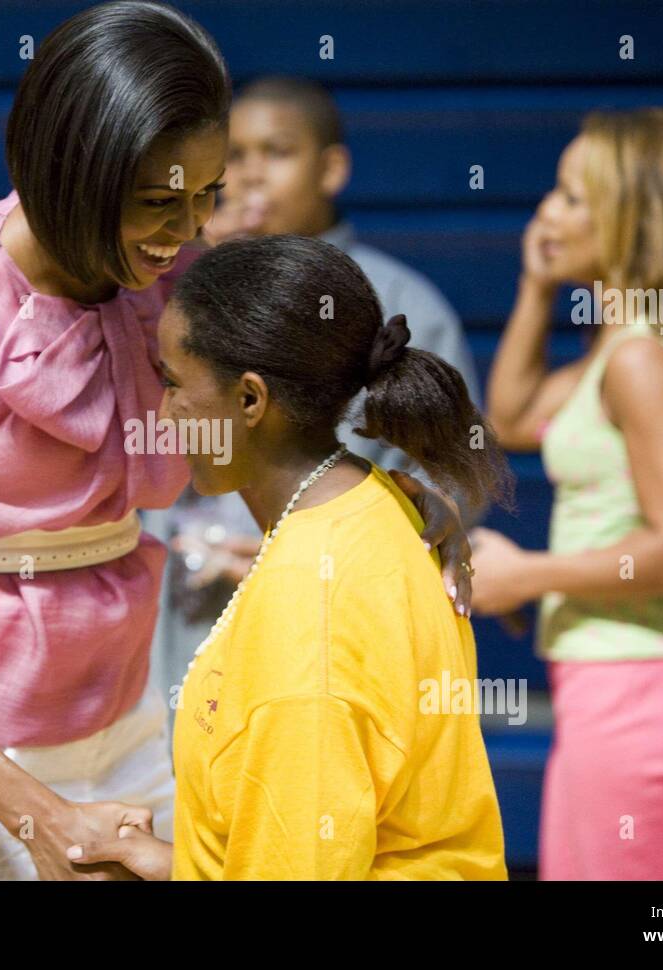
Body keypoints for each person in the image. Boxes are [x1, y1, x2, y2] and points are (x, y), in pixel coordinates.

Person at [0, 1, 473, 881]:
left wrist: (392, 515)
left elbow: (276, 421)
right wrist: (37, 815)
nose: (188, 232)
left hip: (122, 724)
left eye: (207, 196)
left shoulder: (175, 274)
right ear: (68, 172)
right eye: (159, 202)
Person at [65, 235, 511, 880]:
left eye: (173, 384)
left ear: (249, 400)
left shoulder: (309, 620)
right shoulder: (374, 503)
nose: (161, 413)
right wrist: (171, 864)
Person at [470, 108, 663, 879]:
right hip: (613, 681)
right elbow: (510, 417)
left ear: (638, 222)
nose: (548, 209)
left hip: (642, 687)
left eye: (574, 196)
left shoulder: (642, 361)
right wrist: (537, 287)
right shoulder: (619, 347)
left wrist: (524, 576)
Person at [148, 76, 482, 725]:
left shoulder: (399, 301)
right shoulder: (175, 287)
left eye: (276, 153)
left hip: (330, 611)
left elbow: (452, 472)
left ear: (331, 168)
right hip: (186, 619)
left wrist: (379, 530)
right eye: (235, 158)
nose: (250, 178)